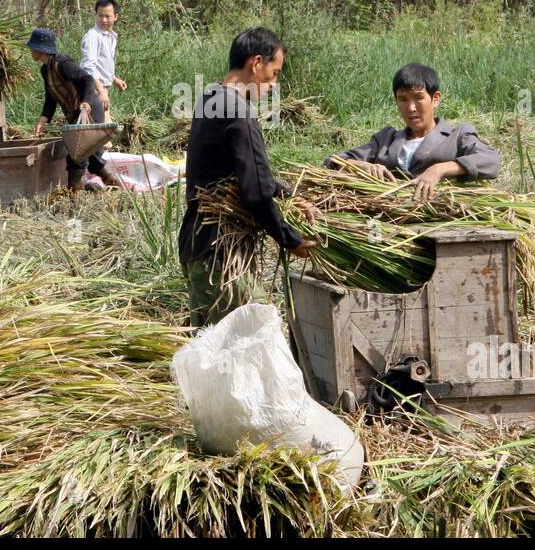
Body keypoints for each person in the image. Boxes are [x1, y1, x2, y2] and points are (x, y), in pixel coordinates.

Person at [178, 27, 319, 328]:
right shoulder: (239, 113)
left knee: (216, 357)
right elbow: (255, 192)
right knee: (262, 341)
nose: (274, 84)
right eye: (274, 73)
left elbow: (248, 178)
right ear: (256, 64)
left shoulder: (210, 100)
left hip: (196, 248)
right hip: (221, 256)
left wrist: (291, 197)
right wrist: (290, 239)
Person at [324, 62, 500, 201]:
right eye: (403, 100)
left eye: (418, 98)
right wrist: (364, 166)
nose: (411, 108)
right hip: (391, 226)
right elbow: (332, 161)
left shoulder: (457, 136)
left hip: (439, 223)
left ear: (435, 99)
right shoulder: (385, 140)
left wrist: (438, 170)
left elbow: (490, 161)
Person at [27, 27, 125, 193]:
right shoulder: (46, 70)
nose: (30, 50)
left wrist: (86, 102)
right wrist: (43, 118)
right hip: (76, 114)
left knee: (77, 154)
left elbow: (87, 78)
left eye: (32, 47)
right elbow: (50, 97)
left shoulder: (63, 64)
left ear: (40, 49)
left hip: (90, 110)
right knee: (92, 158)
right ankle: (116, 187)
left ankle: (74, 198)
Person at [79, 0, 126, 120]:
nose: (103, 20)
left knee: (104, 130)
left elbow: (101, 63)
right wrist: (100, 91)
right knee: (103, 131)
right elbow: (88, 67)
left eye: (107, 16)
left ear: (116, 16)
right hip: (94, 88)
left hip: (101, 87)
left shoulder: (110, 36)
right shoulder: (92, 37)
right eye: (100, 16)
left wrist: (114, 79)